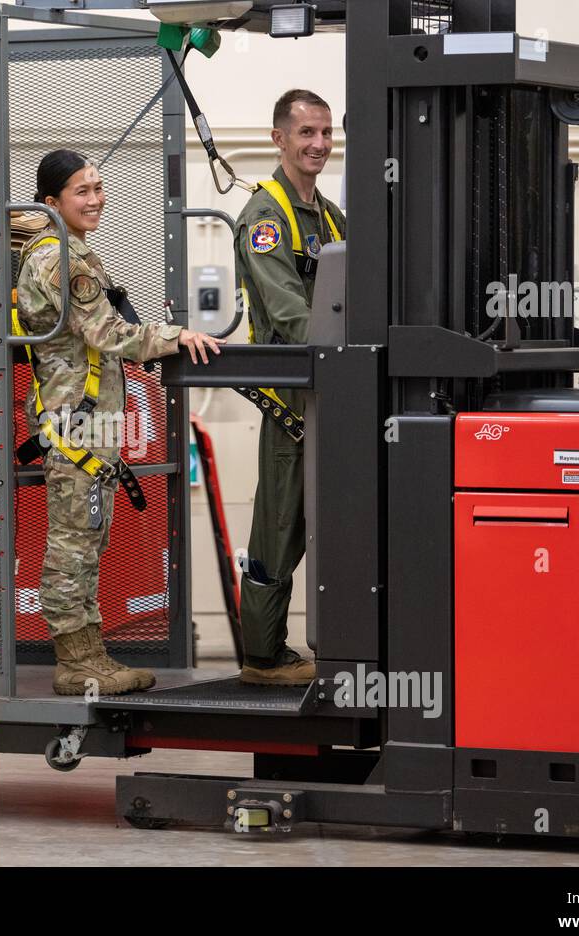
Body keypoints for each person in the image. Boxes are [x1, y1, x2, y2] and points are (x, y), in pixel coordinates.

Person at [15, 149, 224, 696]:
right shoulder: (63, 258)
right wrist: (178, 337)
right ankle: (74, 662)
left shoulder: (69, 252)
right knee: (71, 544)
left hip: (90, 422)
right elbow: (110, 335)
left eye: (99, 187)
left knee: (90, 538)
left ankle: (92, 655)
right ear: (51, 202)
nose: (96, 199)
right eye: (82, 191)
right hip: (76, 423)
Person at [234, 90, 347, 686]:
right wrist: (344, 359)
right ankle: (262, 655)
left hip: (332, 394)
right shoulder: (265, 217)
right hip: (293, 402)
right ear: (279, 138)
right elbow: (287, 312)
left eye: (326, 133)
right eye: (306, 133)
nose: (319, 145)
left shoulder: (329, 216)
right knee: (280, 526)